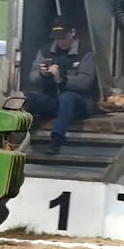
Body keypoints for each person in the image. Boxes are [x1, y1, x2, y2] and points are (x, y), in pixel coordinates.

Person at [23, 14, 97, 154]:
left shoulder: (85, 53)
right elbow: (32, 77)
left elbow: (85, 82)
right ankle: (18, 136)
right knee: (28, 97)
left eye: (63, 37)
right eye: (57, 38)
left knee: (67, 97)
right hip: (53, 100)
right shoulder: (45, 51)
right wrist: (42, 74)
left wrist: (61, 79)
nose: (60, 41)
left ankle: (56, 140)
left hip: (79, 102)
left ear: (72, 33)